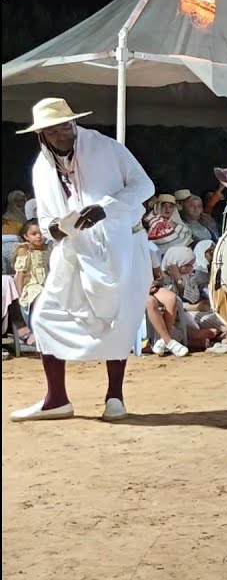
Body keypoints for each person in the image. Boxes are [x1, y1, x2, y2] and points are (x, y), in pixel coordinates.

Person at [10, 98, 154, 422]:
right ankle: (56, 399)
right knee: (46, 315)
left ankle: (115, 397)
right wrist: (52, 230)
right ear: (41, 135)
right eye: (54, 130)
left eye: (66, 126)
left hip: (122, 247)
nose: (63, 135)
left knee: (117, 320)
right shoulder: (42, 167)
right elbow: (46, 217)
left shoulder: (107, 148)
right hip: (75, 250)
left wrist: (107, 206)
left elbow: (144, 185)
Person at [12, 218, 50, 348]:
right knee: (41, 296)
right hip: (32, 284)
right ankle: (36, 330)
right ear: (26, 236)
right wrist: (20, 293)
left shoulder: (49, 248)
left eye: (41, 233)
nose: (39, 236)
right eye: (34, 234)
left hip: (48, 283)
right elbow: (21, 273)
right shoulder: (25, 250)